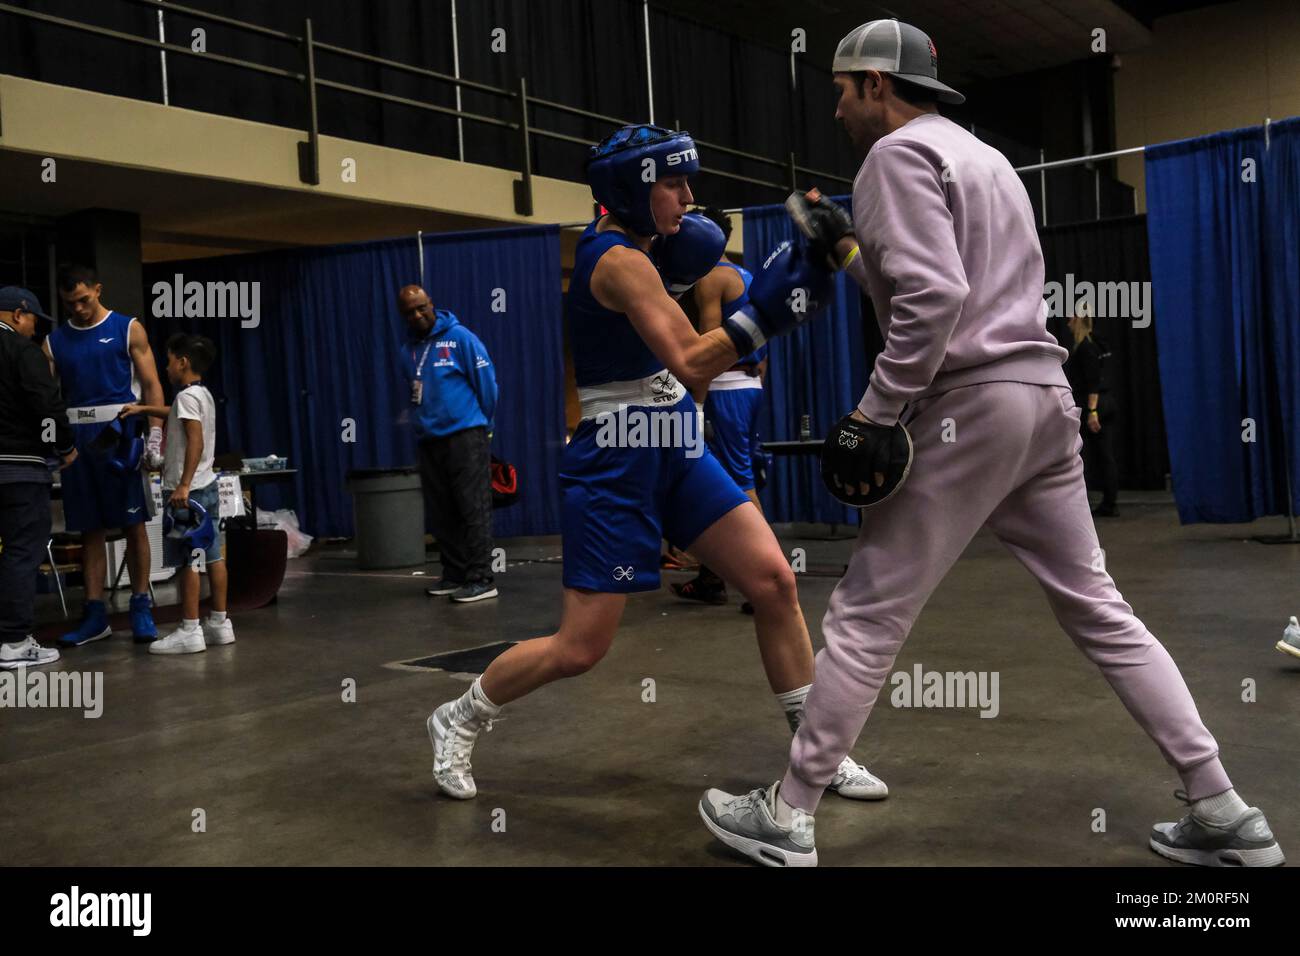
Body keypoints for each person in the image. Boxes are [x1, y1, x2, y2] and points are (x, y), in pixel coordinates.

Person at [700, 19, 1283, 869]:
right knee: (1101, 609)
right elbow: (939, 281)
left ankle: (787, 815)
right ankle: (1223, 806)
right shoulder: (983, 158)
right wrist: (851, 249)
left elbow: (933, 302)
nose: (834, 109)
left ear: (874, 85)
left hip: (965, 405)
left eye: (840, 89)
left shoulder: (893, 159)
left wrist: (874, 413)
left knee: (868, 611)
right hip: (1040, 402)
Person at [426, 124, 885, 806]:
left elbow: (699, 336)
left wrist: (814, 264)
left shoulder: (654, 249)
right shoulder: (617, 262)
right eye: (673, 183)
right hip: (617, 458)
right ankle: (459, 715)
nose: (688, 196)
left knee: (772, 582)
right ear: (634, 190)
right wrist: (763, 318)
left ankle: (819, 753)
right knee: (581, 648)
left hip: (673, 442)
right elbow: (694, 359)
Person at [46, 264, 166, 646]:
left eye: (84, 299)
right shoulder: (54, 342)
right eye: (70, 304)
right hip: (78, 441)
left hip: (120, 432)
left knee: (133, 525)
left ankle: (141, 606)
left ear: (98, 289)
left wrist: (155, 438)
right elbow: (47, 399)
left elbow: (151, 384)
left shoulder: (128, 328)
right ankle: (95, 614)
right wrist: (54, 445)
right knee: (89, 529)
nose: (78, 309)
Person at [671, 206, 770, 611]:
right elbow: (760, 347)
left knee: (738, 480)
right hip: (750, 385)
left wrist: (695, 402)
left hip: (725, 387)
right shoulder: (746, 276)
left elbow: (708, 347)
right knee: (731, 475)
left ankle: (767, 579)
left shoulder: (710, 278)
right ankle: (713, 577)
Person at [120, 334, 233, 654]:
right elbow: (176, 413)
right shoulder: (201, 395)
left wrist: (183, 484)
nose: (166, 367)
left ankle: (189, 628)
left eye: (169, 361)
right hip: (207, 485)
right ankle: (220, 623)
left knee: (189, 561)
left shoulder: (186, 399)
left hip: (189, 493)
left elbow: (194, 440)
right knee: (213, 556)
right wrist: (144, 408)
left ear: (182, 362)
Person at [397, 285, 499, 604]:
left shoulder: (461, 338)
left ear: (432, 304)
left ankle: (481, 577)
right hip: (430, 440)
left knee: (473, 507)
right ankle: (454, 574)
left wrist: (485, 426)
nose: (417, 315)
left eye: (421, 307)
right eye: (409, 312)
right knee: (442, 513)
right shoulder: (407, 350)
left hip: (466, 435)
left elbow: (488, 386)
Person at [0, 287, 76, 669]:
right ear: (18, 314)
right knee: (21, 550)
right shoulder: (21, 351)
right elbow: (45, 407)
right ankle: (13, 642)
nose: (36, 331)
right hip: (17, 469)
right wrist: (61, 447)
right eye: (33, 322)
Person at [1064, 305, 1119, 517]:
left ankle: (1094, 503)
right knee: (1104, 455)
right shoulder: (1098, 344)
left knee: (1085, 455)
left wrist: (1092, 411)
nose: (1068, 323)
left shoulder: (1086, 347)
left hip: (1094, 405)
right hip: (1106, 402)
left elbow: (1093, 381)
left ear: (1079, 320)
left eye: (1071, 319)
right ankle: (1108, 502)